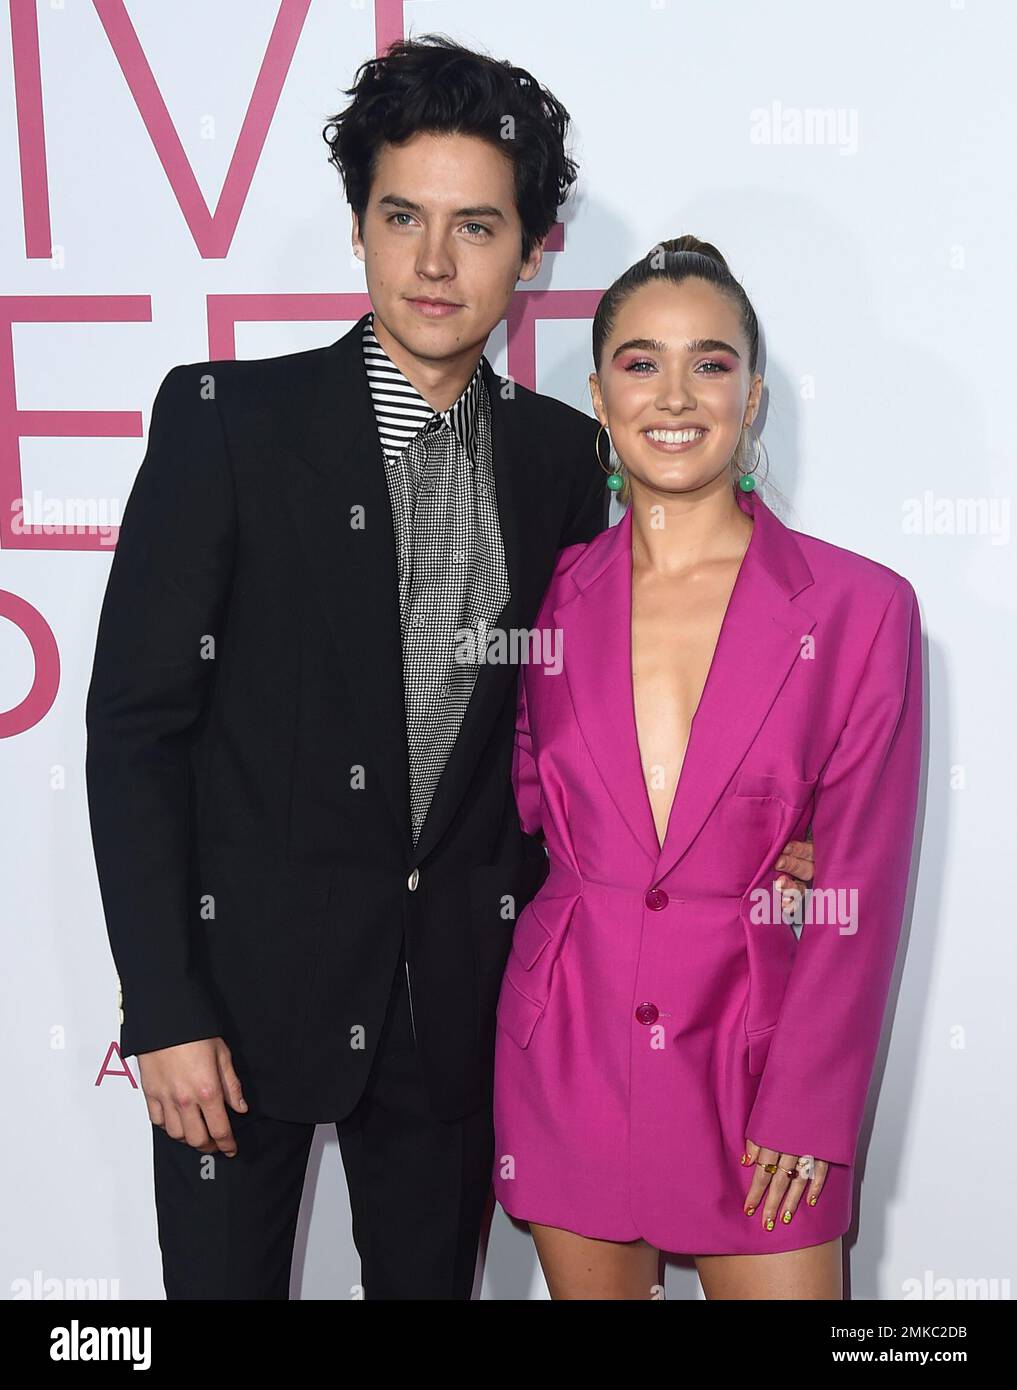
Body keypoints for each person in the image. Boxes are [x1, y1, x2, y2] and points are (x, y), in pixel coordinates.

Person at [84, 37, 812, 1301]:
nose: (434, 263)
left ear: (531, 252)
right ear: (359, 230)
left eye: (476, 226)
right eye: (402, 218)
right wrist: (161, 1003)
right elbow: (137, 730)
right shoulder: (225, 424)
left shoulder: (567, 459)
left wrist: (765, 846)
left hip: (460, 1023)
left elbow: (633, 707)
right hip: (234, 1014)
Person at [492, 236, 923, 1300]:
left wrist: (812, 1109)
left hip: (762, 1071)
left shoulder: (861, 608)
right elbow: (519, 808)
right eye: (641, 363)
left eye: (711, 362)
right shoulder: (542, 598)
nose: (674, 393)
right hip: (570, 1058)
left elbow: (860, 882)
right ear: (598, 394)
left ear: (754, 393)